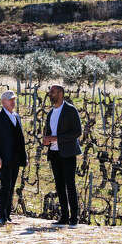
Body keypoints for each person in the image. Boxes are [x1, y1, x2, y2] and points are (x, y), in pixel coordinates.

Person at [41, 84, 82, 226]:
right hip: (54, 153)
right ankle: (64, 217)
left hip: (68, 153)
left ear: (60, 93)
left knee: (70, 185)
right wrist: (46, 139)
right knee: (59, 186)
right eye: (50, 91)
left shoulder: (70, 110)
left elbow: (77, 132)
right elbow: (47, 132)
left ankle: (74, 218)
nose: (50, 93)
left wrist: (56, 138)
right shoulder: (50, 113)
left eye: (52, 91)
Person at [0, 90, 26, 225]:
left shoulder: (16, 116)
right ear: (3, 102)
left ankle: (8, 214)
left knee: (11, 186)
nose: (13, 102)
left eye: (14, 99)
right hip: (4, 157)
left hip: (16, 157)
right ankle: (1, 216)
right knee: (5, 185)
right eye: (10, 99)